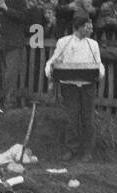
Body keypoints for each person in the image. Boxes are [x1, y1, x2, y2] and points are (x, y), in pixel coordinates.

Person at [45, 15, 105, 161]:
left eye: (91, 26)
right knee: (72, 117)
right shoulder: (64, 42)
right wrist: (50, 71)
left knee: (88, 118)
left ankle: (87, 151)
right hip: (69, 86)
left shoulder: (93, 44)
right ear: (78, 27)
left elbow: (98, 64)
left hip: (87, 86)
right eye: (87, 26)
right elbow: (53, 61)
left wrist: (100, 74)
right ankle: (71, 149)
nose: (91, 29)